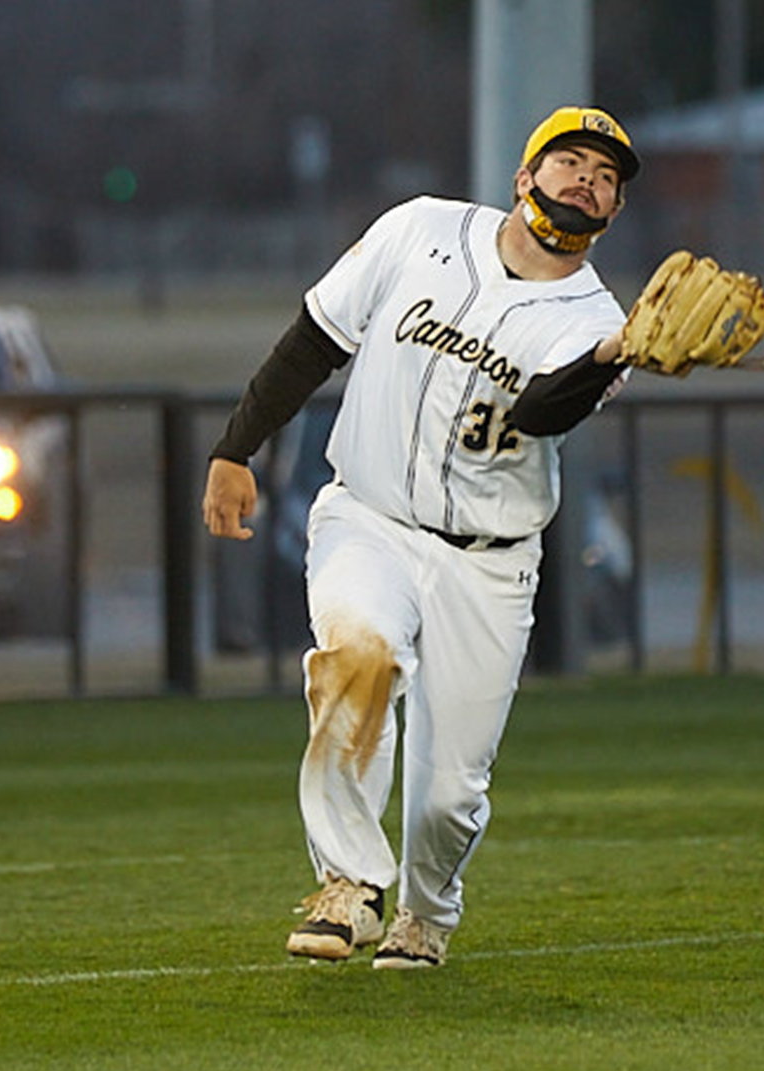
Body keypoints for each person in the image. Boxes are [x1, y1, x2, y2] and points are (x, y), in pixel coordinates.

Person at [202, 106, 643, 969]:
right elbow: (313, 341)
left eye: (607, 176)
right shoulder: (419, 231)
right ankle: (349, 886)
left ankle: (426, 915)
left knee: (450, 797)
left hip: (490, 561)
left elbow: (541, 410)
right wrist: (234, 448)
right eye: (572, 162)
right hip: (366, 519)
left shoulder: (602, 323)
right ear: (525, 177)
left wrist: (615, 352)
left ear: (616, 211)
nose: (588, 179)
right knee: (355, 660)